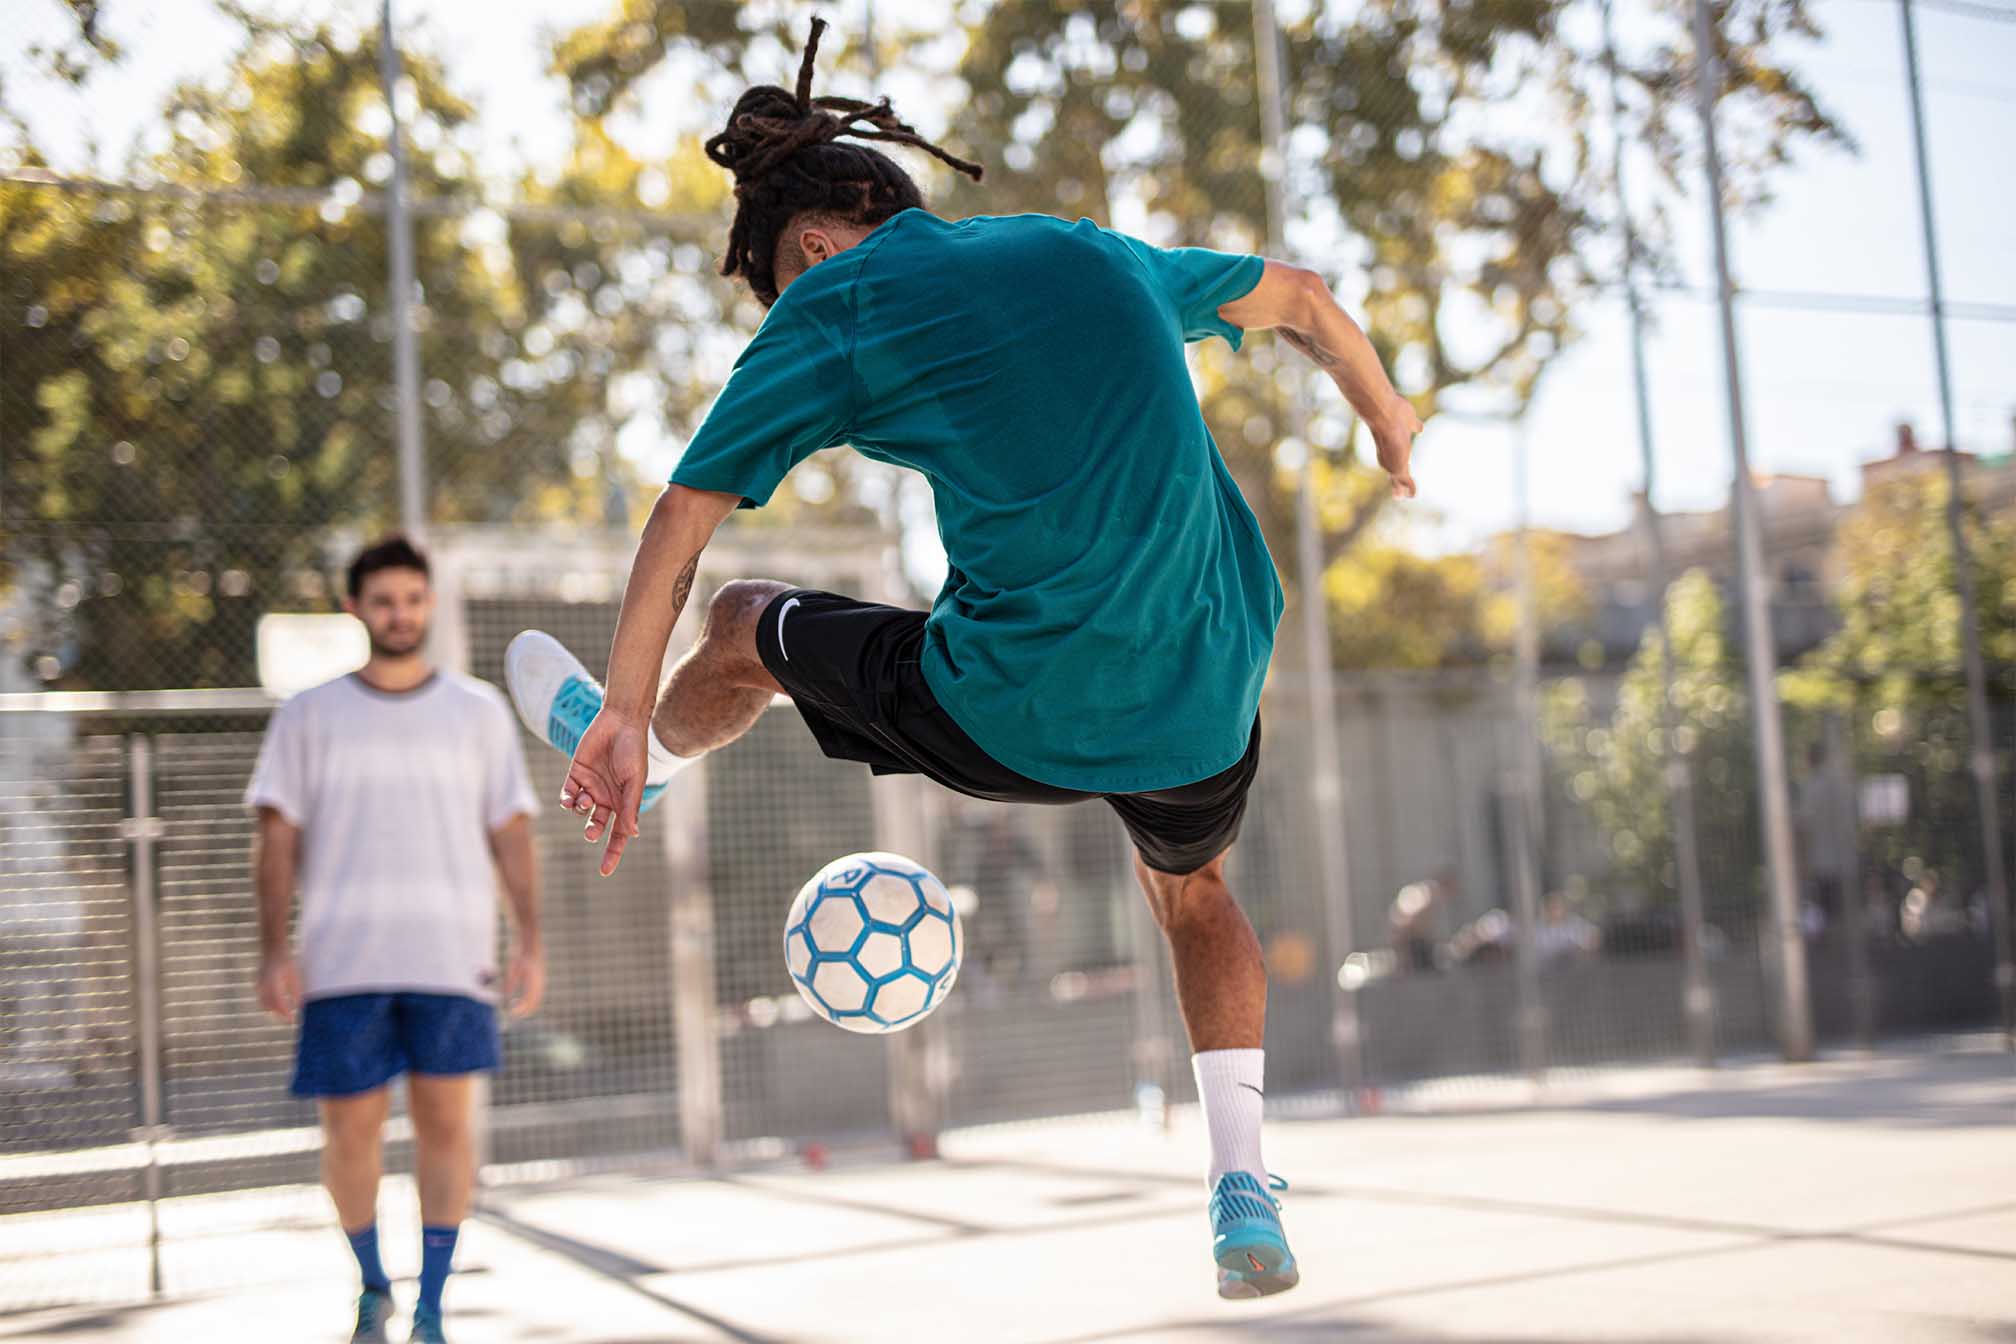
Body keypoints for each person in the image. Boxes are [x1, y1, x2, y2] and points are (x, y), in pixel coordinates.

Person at [503, 20, 1420, 1301]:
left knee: (748, 620)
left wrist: (615, 710)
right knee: (1195, 893)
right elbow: (1307, 299)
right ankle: (1242, 1184)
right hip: (1205, 695)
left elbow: (682, 519)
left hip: (1008, 708)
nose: (782, 314)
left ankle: (648, 757)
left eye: (776, 288)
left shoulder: (833, 301)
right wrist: (1389, 418)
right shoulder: (1087, 248)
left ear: (816, 242)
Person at [248, 537, 543, 1343]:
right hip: (342, 961)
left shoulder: (478, 711)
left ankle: (432, 1308)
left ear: (429, 604)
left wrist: (530, 940)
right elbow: (275, 836)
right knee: (350, 1135)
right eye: (383, 601)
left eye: (412, 599)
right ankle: (373, 1285)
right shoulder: (308, 714)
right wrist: (273, 950)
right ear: (355, 608)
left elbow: (512, 833)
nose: (400, 614)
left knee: (448, 1129)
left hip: (453, 958)